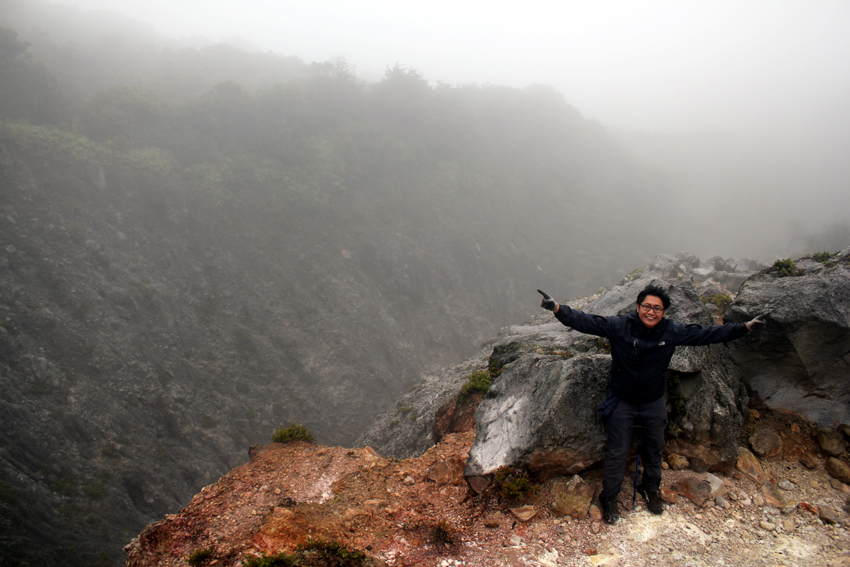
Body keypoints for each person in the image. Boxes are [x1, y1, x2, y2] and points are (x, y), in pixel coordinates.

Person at [538, 284, 764, 524]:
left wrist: (745, 327)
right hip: (622, 401)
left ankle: (650, 489)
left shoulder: (671, 331)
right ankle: (610, 497)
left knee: (654, 449)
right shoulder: (620, 326)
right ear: (637, 307)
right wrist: (557, 308)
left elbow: (706, 334)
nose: (651, 312)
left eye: (657, 308)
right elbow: (587, 322)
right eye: (646, 306)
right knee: (617, 452)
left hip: (653, 402)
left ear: (663, 312)